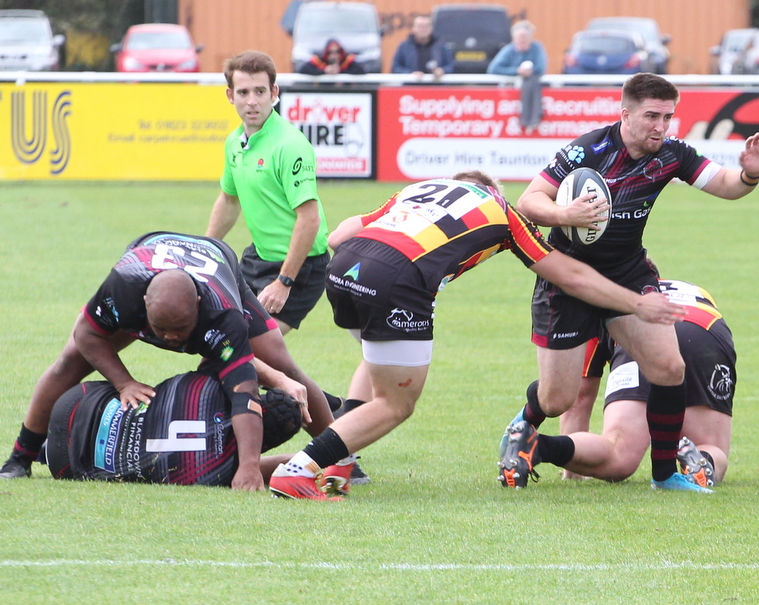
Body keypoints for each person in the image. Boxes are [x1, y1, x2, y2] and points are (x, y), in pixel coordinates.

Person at [265, 171, 685, 500]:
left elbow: (339, 235)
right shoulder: (503, 211)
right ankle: (298, 471)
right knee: (396, 403)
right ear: (492, 190)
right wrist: (634, 302)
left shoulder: (421, 189)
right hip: (397, 281)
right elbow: (569, 274)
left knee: (379, 359)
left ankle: (339, 467)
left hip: (344, 272)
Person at [499, 72, 759, 493]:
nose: (661, 127)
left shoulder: (672, 154)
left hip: (628, 271)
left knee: (668, 367)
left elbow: (725, 185)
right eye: (651, 116)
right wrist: (565, 215)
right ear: (625, 114)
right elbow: (529, 202)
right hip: (569, 278)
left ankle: (665, 476)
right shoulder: (588, 149)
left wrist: (749, 176)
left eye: (668, 117)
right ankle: (524, 427)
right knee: (558, 399)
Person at [0, 231, 334, 489]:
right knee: (70, 359)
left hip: (217, 264)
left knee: (281, 364)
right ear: (144, 305)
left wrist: (248, 466)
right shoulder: (124, 288)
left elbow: (244, 391)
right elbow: (86, 335)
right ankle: (20, 456)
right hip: (151, 251)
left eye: (180, 330)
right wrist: (124, 382)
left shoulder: (224, 315)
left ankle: (339, 451)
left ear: (199, 308)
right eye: (162, 331)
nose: (171, 339)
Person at [500, 279, 735, 489]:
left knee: (619, 453)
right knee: (709, 446)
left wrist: (572, 470)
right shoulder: (676, 284)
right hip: (705, 330)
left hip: (642, 328)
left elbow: (580, 396)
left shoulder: (601, 297)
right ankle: (701, 463)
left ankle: (537, 446)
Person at [206, 50, 330, 336]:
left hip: (301, 268)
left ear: (274, 92)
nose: (252, 101)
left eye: (260, 91)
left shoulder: (290, 145)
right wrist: (203, 248)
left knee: (247, 349)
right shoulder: (235, 142)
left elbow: (309, 219)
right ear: (230, 95)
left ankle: (298, 385)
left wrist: (284, 282)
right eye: (244, 92)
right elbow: (228, 199)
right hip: (257, 258)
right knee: (218, 339)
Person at [45, 371, 302, 486]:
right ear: (265, 443)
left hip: (72, 405)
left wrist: (277, 378)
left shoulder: (205, 386)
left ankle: (27, 449)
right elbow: (265, 468)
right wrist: (313, 460)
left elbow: (238, 364)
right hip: (68, 465)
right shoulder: (226, 473)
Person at [487, 20, 548, 129]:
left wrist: (529, 72)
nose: (522, 39)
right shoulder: (509, 50)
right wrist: (516, 71)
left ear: (531, 37)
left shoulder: (537, 48)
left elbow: (541, 67)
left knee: (532, 80)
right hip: (509, 91)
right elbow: (493, 68)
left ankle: (531, 118)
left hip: (531, 87)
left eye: (525, 36)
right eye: (520, 36)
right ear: (514, 38)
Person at [391, 15, 454, 80]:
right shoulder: (404, 47)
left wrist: (442, 70)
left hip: (436, 87)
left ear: (431, 28)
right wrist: (410, 73)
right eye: (420, 26)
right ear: (413, 28)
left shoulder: (441, 46)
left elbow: (451, 66)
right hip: (411, 87)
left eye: (426, 26)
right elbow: (396, 67)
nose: (423, 29)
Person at [298, 39, 366, 76]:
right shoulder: (319, 62)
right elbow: (303, 70)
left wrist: (340, 71)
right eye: (330, 53)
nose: (334, 55)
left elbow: (361, 70)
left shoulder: (347, 61)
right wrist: (324, 71)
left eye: (337, 52)